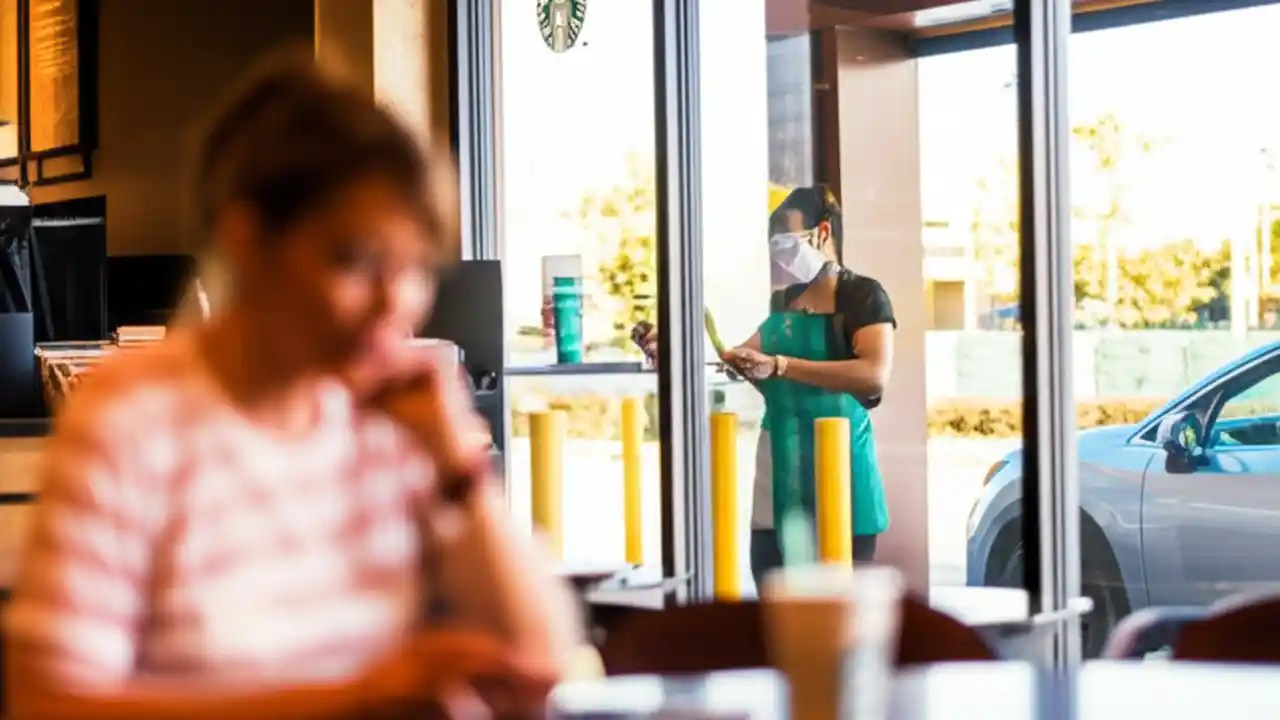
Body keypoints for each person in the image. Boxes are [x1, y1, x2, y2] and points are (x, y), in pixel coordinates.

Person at [5, 53, 579, 720]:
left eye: (415, 267)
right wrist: (362, 697)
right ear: (248, 241)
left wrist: (458, 467)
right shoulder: (135, 417)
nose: (396, 303)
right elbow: (50, 704)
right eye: (358, 261)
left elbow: (540, 661)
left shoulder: (396, 412)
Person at [634, 186, 895, 588]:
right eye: (776, 244)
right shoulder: (783, 302)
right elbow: (737, 361)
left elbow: (873, 374)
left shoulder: (865, 296)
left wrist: (781, 365)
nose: (782, 253)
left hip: (841, 474)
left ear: (822, 233)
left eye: (788, 241)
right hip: (779, 470)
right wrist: (671, 351)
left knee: (838, 614)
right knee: (772, 601)